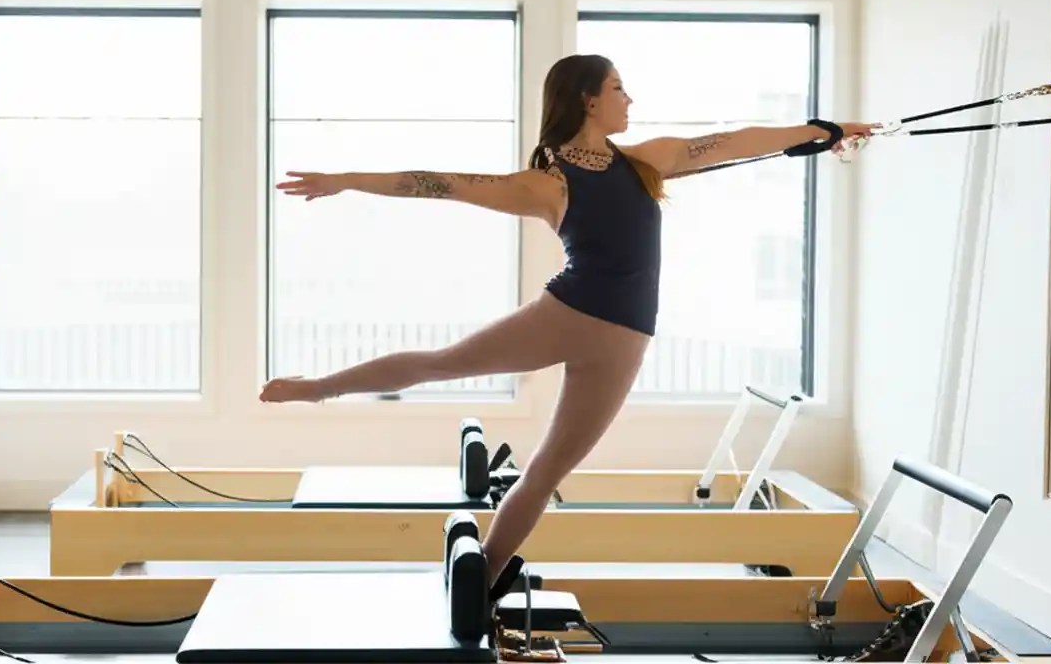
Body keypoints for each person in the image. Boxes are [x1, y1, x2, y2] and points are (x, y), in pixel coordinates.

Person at [259, 53, 875, 597]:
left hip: (626, 341)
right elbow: (438, 184)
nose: (628, 98)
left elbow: (736, 140)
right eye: (618, 88)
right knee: (441, 363)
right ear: (588, 99)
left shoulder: (647, 161)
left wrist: (824, 132)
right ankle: (318, 387)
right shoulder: (549, 182)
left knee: (549, 470)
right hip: (567, 316)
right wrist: (346, 181)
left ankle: (480, 584)